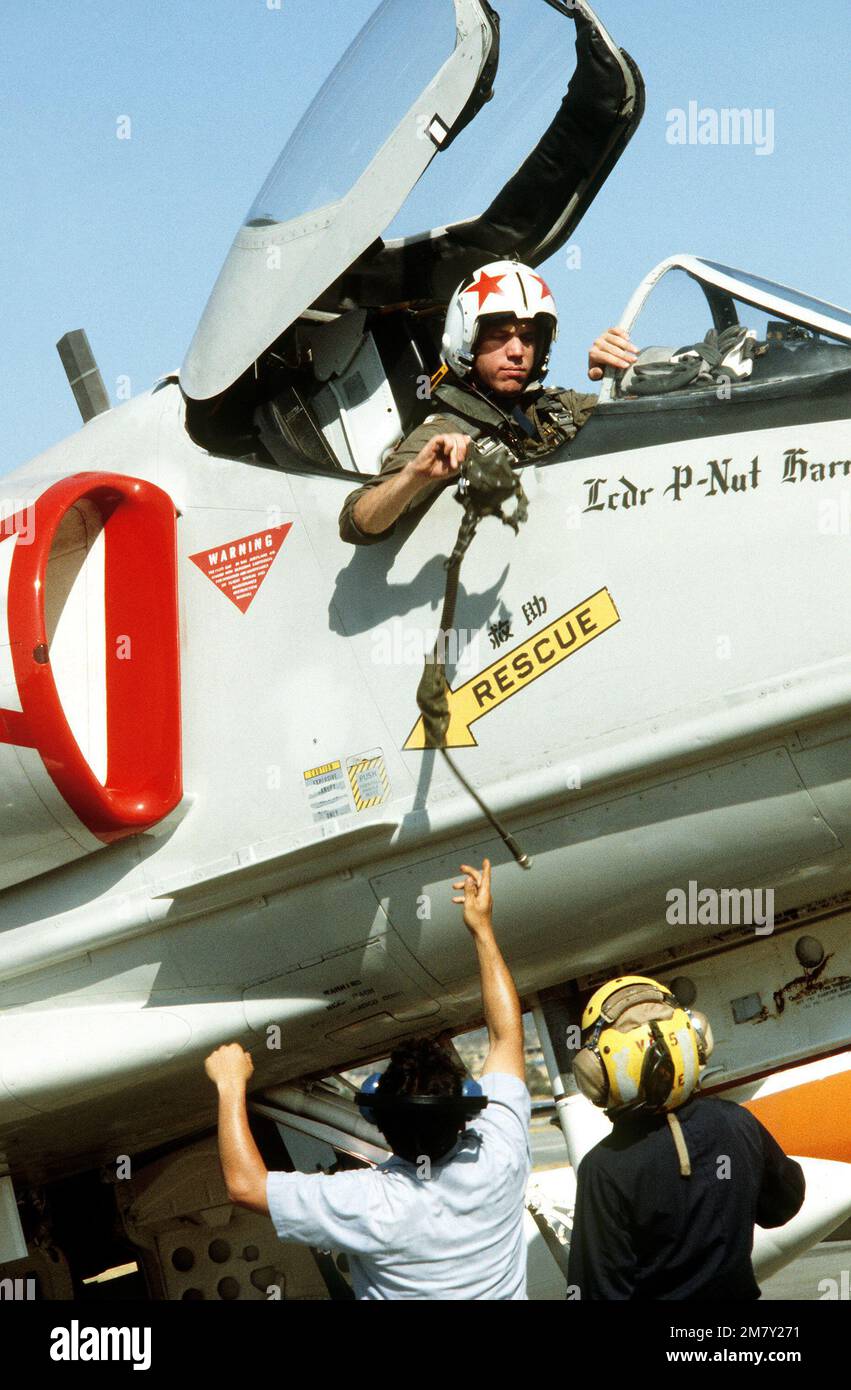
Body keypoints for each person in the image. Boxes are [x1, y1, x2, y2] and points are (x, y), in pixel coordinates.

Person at [204, 858, 532, 1300]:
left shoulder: (372, 1203)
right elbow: (506, 1036)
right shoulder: (498, 1158)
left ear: (381, 1124)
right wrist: (483, 929)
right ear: (462, 1117)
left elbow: (246, 1186)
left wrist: (229, 1085)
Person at [338, 258, 636, 545]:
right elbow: (357, 521)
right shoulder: (445, 436)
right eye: (499, 336)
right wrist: (415, 475)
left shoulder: (559, 408)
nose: (517, 351)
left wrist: (620, 378)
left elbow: (642, 427)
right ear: (467, 339)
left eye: (529, 337)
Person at [566, 975, 806, 1301]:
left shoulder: (604, 1168)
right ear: (694, 1040)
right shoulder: (735, 1122)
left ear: (598, 1069)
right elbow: (782, 1206)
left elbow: (598, 1291)